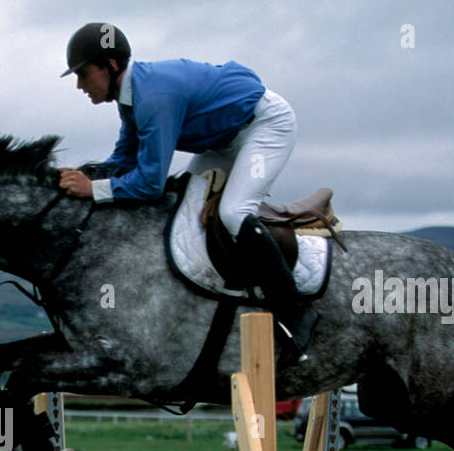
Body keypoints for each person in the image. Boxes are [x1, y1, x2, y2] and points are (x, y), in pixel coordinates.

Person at [58, 22, 314, 362]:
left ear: (111, 66)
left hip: (266, 125)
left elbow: (148, 183)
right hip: (224, 139)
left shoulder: (153, 98)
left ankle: (296, 313)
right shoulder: (131, 97)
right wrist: (84, 175)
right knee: (181, 209)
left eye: (83, 74)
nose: (79, 85)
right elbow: (124, 158)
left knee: (233, 213)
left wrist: (93, 189)